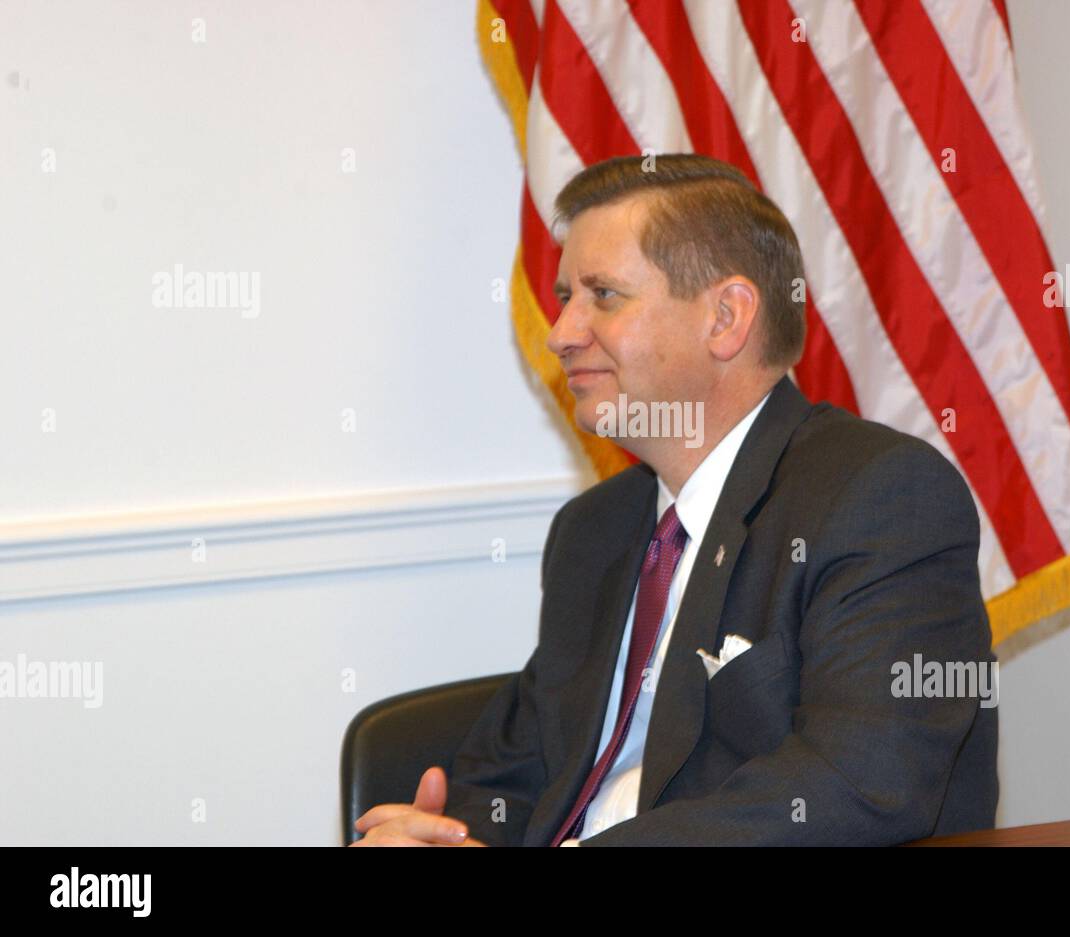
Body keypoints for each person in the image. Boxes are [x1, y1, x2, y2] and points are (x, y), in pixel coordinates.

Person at [351, 153, 998, 846]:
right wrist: (441, 835)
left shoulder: (880, 497)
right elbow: (513, 768)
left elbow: (860, 783)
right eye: (566, 295)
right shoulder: (594, 528)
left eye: (603, 295)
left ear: (726, 317)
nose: (561, 333)